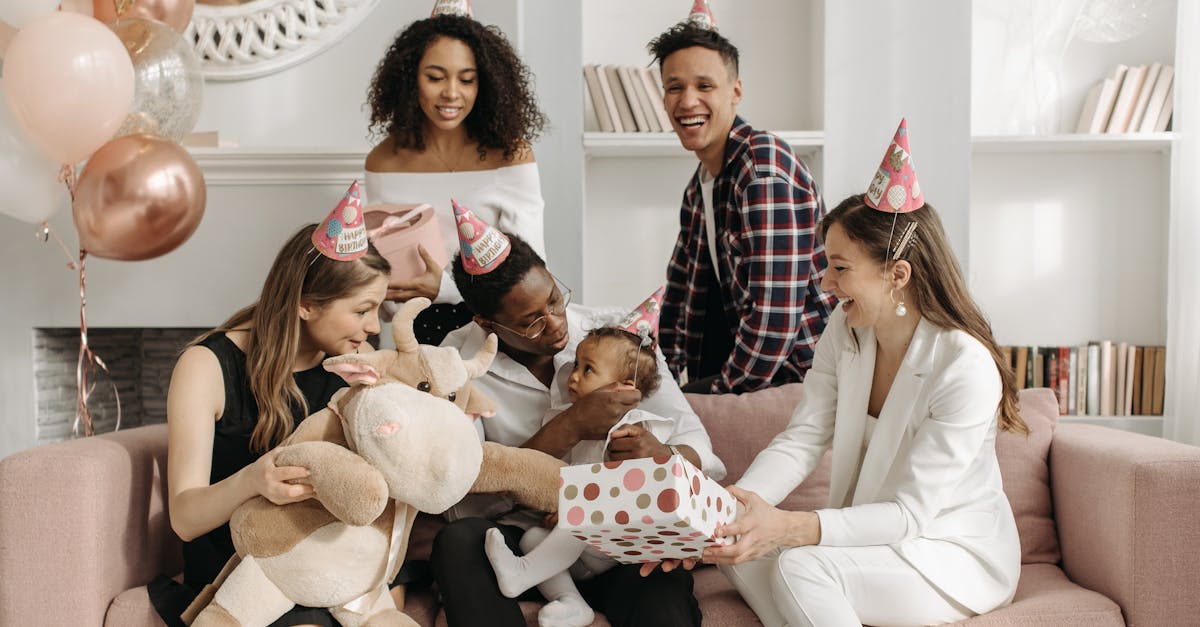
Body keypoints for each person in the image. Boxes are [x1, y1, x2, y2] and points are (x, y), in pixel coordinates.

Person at [700, 121, 1029, 627]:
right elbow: (805, 436)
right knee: (739, 553)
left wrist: (789, 527)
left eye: (839, 268)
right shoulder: (846, 330)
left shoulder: (963, 366)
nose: (825, 283)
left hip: (944, 553)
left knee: (800, 566)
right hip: (871, 542)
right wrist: (742, 507)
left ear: (897, 274)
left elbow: (909, 516)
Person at [433, 203, 725, 627]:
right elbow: (461, 503)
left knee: (662, 589)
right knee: (458, 542)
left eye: (554, 299)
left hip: (616, 539)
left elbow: (702, 449)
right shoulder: (453, 363)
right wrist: (568, 428)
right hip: (524, 543)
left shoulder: (614, 334)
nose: (555, 325)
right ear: (487, 323)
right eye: (531, 322)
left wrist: (664, 455)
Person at [148, 184, 391, 627]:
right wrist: (253, 480)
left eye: (378, 311)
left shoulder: (348, 369)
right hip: (239, 576)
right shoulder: (206, 367)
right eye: (362, 310)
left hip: (321, 566)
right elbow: (184, 518)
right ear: (306, 305)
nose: (373, 328)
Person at [647, 4, 836, 394]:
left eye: (704, 86)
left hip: (802, 382)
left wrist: (716, 398)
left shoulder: (762, 168)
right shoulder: (701, 185)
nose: (687, 101)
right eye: (674, 87)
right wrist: (656, 379)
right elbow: (680, 296)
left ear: (736, 91)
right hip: (746, 373)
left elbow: (774, 321)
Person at [364, 0, 547, 346]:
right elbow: (379, 265)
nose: (451, 93)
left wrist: (444, 289)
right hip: (413, 330)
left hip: (494, 327)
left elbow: (532, 272)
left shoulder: (510, 156)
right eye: (435, 77)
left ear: (486, 85)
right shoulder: (383, 162)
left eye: (467, 80)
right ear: (410, 78)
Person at [483, 324, 685, 627]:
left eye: (588, 369)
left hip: (620, 544)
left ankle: (522, 573)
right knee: (533, 536)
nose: (574, 375)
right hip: (579, 550)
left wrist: (574, 508)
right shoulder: (563, 418)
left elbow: (631, 488)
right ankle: (571, 602)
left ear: (623, 387)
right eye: (576, 364)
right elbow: (555, 478)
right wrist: (557, 506)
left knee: (582, 515)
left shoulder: (634, 428)